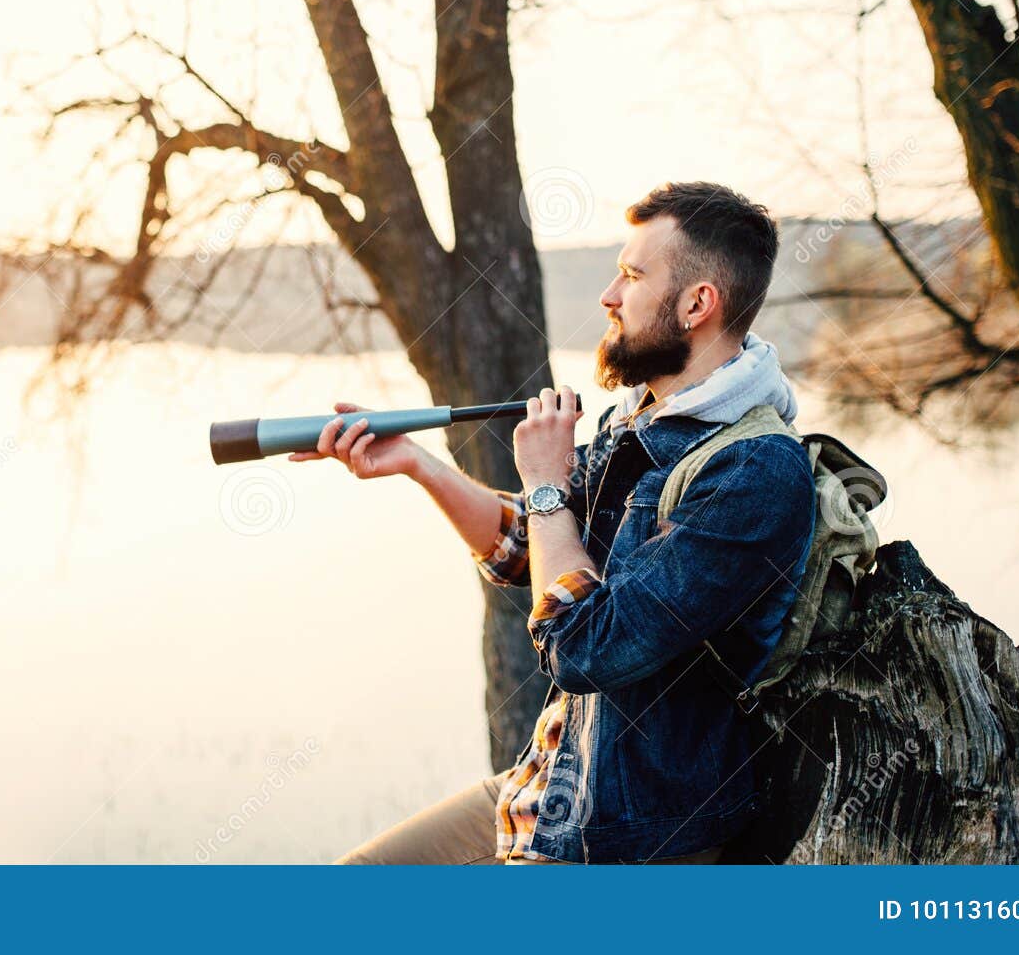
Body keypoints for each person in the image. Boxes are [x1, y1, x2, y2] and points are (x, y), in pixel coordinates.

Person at [290, 181, 817, 864]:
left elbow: (585, 646)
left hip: (618, 840)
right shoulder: (642, 421)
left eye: (631, 275)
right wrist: (417, 465)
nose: (608, 296)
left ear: (697, 304)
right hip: (545, 787)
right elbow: (529, 554)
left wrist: (547, 487)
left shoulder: (754, 473)